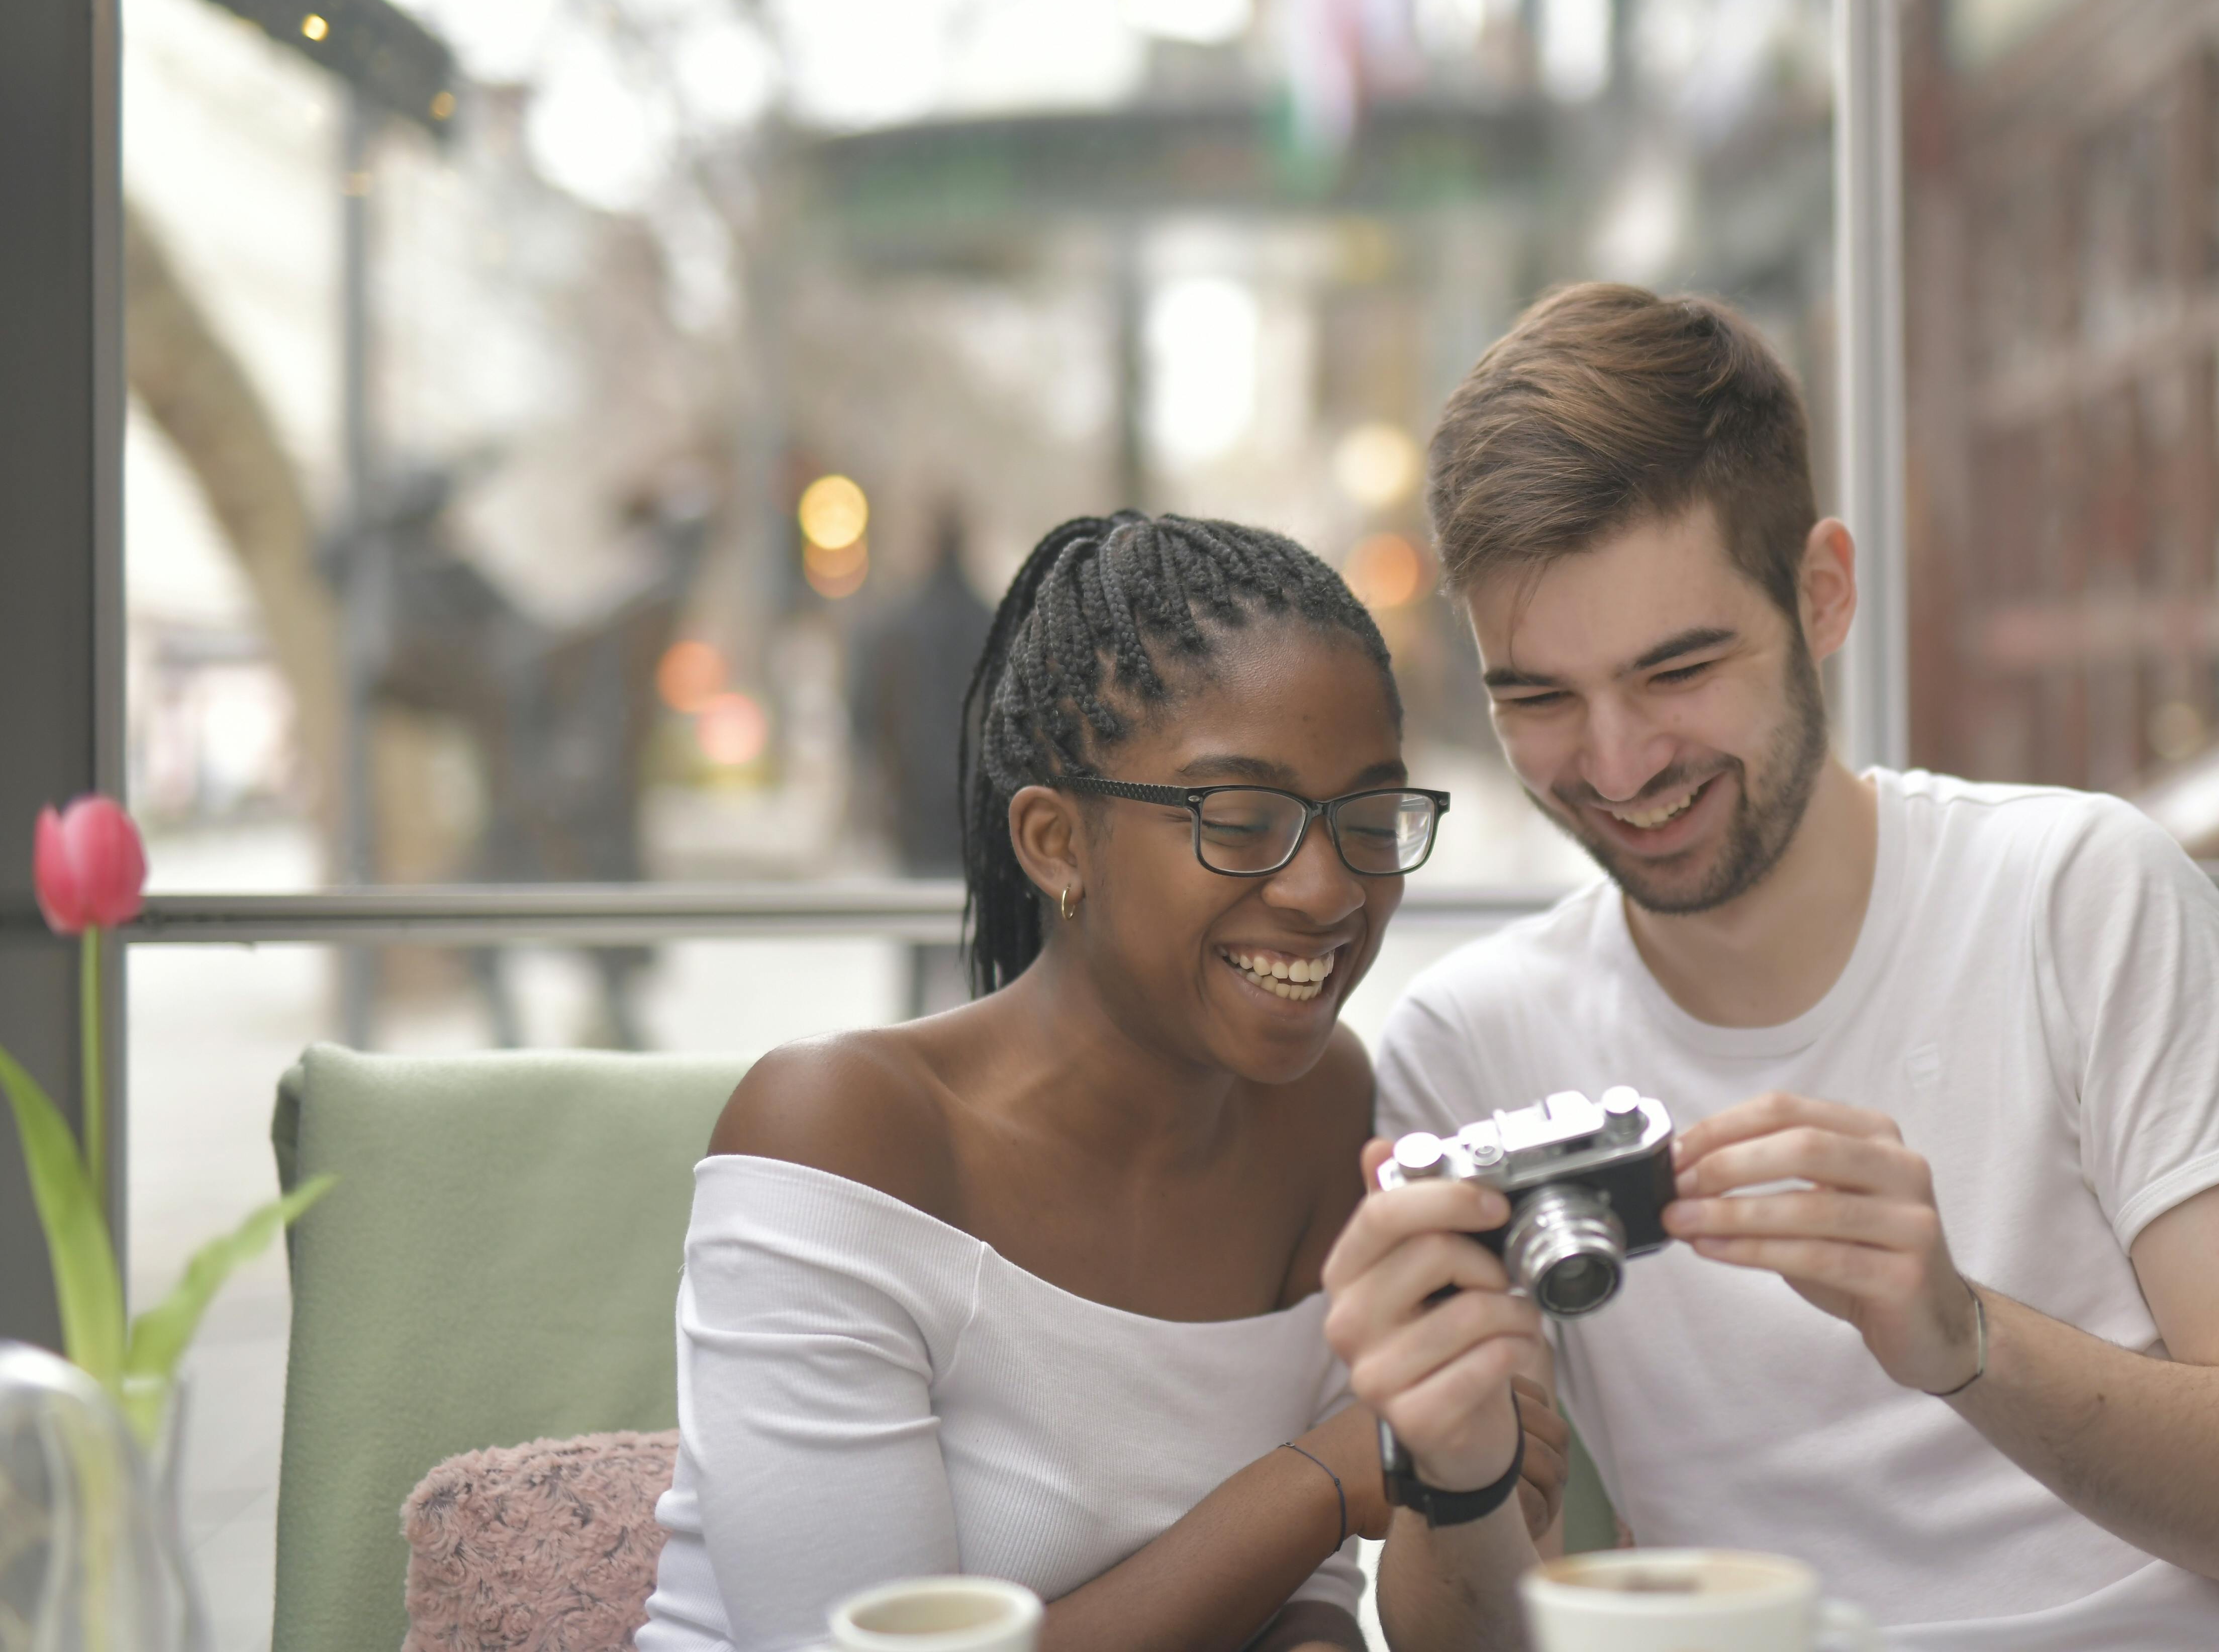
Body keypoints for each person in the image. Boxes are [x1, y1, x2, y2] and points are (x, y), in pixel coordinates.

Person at [1319, 286, 2219, 1648]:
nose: (1618, 763)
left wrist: (1967, 1340)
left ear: (1821, 594)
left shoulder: (2080, 897)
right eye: (1538, 697)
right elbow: (1476, 1635)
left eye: (1678, 671)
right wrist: (1456, 1463)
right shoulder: (1473, 1044)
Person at [636, 512, 1564, 1652]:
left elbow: (1296, 1601)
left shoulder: (1325, 1108)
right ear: (1056, 842)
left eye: (1369, 818)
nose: (1327, 891)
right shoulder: (841, 1132)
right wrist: (1321, 1479)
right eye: (1242, 820)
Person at [847, 507, 997, 1016]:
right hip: (980, 802)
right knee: (980, 939)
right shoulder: (991, 620)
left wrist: (879, 785)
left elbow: (865, 716)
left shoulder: (895, 625)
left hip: (912, 801)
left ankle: (914, 1032)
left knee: (914, 937)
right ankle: (978, 1035)